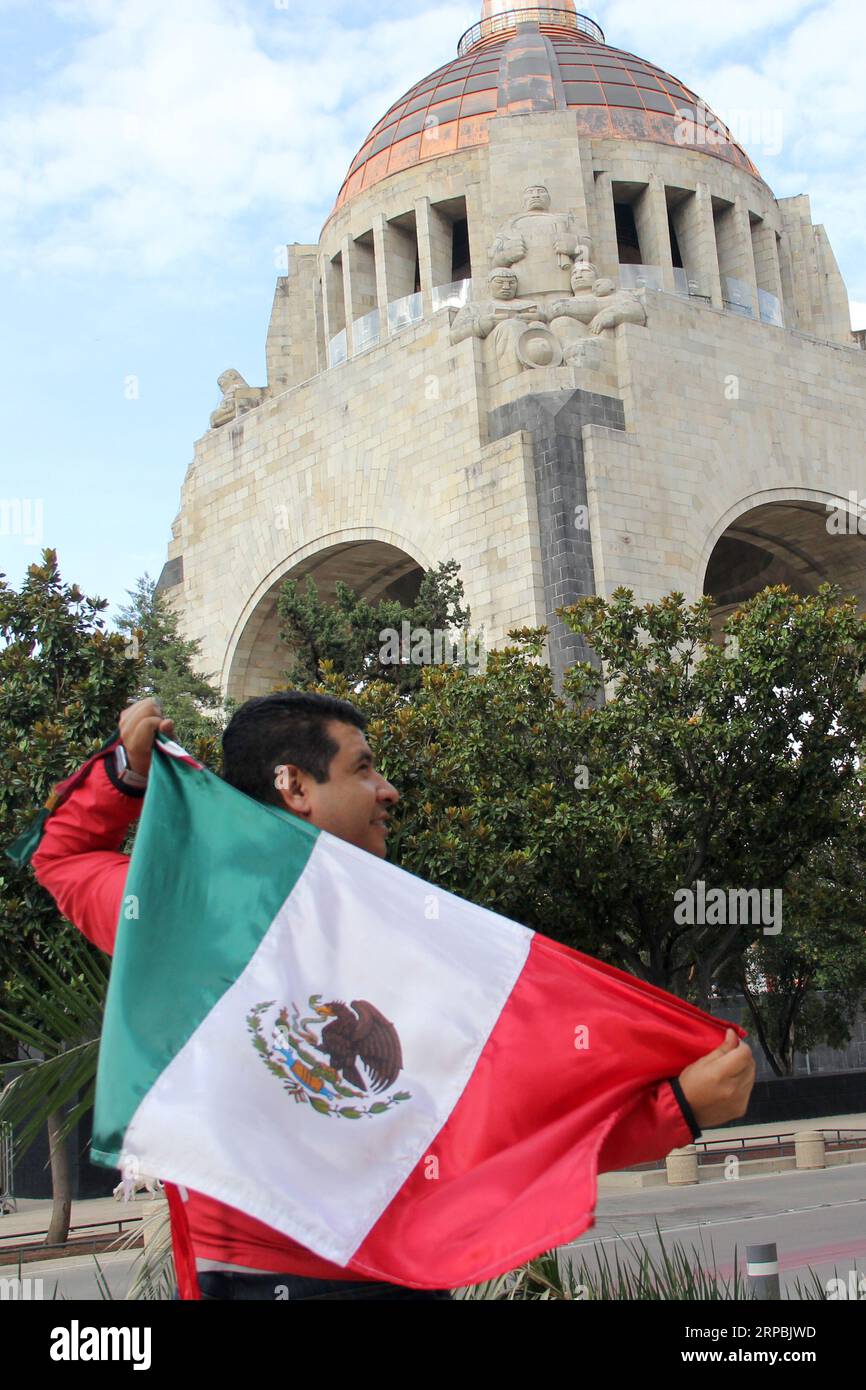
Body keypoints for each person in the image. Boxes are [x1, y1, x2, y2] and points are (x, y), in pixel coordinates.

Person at [31, 692, 755, 1300]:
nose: (389, 790)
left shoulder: (393, 933)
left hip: (312, 1278)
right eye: (365, 768)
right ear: (295, 786)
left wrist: (123, 776)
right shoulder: (191, 917)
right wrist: (676, 1111)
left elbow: (492, 1123)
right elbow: (494, 1129)